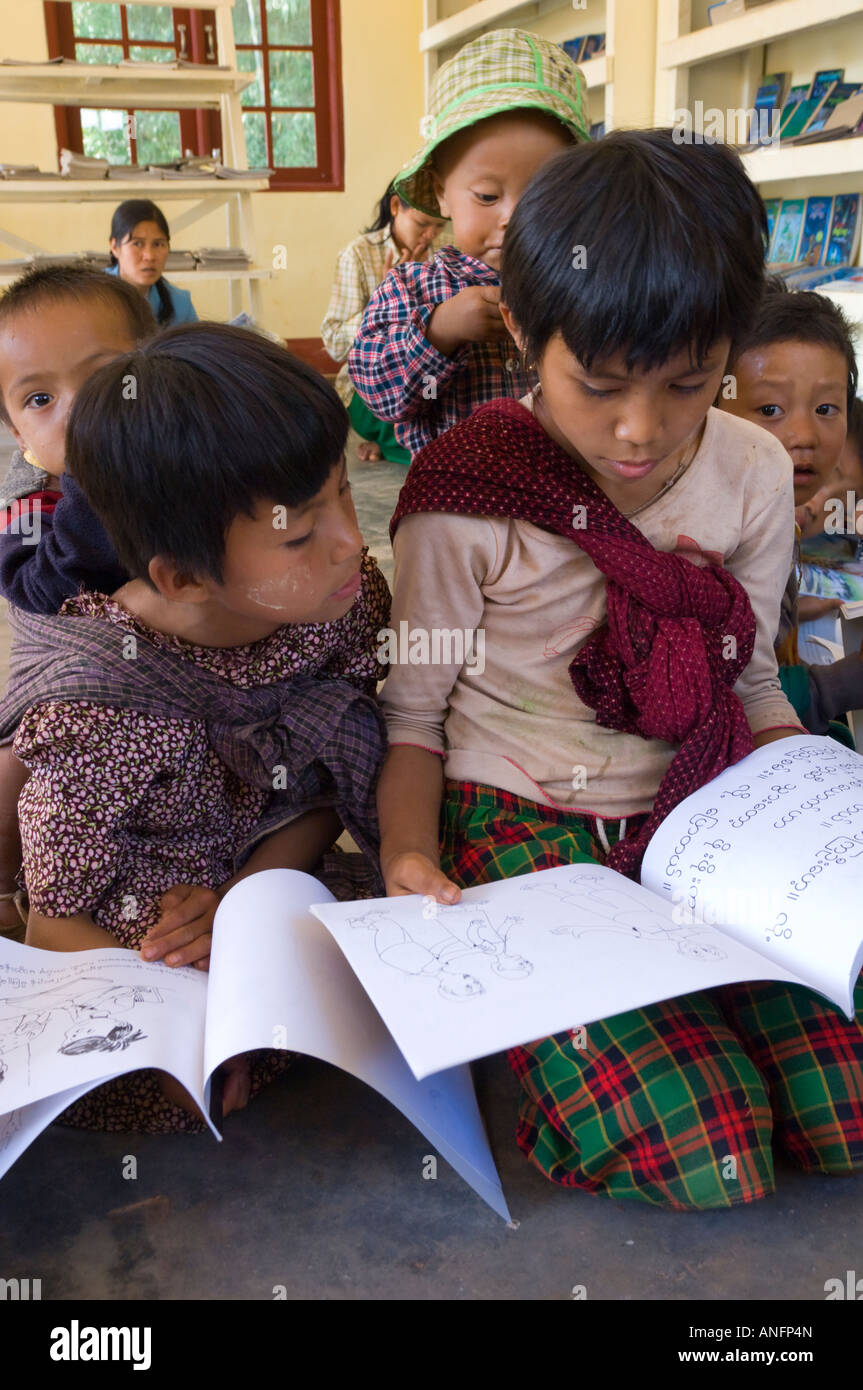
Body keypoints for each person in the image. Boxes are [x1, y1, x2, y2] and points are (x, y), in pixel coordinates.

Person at [377, 130, 863, 1210]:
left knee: (845, 1111)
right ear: (520, 329)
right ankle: (562, 1064)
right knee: (711, 1151)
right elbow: (412, 714)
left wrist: (818, 835)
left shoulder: (745, 466)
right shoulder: (464, 493)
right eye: (595, 386)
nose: (639, 431)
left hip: (707, 813)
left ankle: (661, 1020)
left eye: (689, 384)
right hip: (526, 818)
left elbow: (749, 684)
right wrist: (407, 857)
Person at [0, 323, 390, 1132]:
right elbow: (54, 918)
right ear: (180, 577)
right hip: (132, 949)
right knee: (155, 1085)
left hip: (254, 884)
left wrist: (246, 902)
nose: (352, 543)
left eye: (343, 490)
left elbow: (317, 792)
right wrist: (185, 1030)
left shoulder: (335, 608)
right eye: (297, 533)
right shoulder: (98, 708)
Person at [0, 266, 156, 940]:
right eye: (39, 398)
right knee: (10, 769)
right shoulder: (33, 505)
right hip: (68, 699)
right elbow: (42, 592)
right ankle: (9, 892)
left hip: (182, 696)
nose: (76, 408)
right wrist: (95, 488)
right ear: (17, 436)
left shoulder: (189, 469)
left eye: (103, 379)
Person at [348, 28, 589, 460]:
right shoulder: (415, 286)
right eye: (487, 196)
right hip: (453, 508)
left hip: (560, 500)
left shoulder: (585, 277)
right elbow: (377, 393)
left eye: (541, 195)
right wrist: (439, 331)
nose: (514, 218)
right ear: (442, 193)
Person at [721, 281, 863, 736]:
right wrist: (835, 688)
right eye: (769, 409)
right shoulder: (705, 540)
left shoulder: (782, 518)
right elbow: (716, 698)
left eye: (826, 407)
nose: (804, 434)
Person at [321, 181, 448, 464]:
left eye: (439, 226)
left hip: (430, 374)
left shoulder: (447, 254)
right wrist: (386, 297)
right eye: (422, 223)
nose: (429, 236)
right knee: (419, 423)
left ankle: (395, 447)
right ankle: (416, 452)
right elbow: (334, 344)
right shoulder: (358, 254)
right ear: (394, 208)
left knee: (460, 406)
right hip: (375, 382)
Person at [107, 199, 198, 326]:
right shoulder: (90, 297)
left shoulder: (180, 304)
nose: (149, 256)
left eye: (158, 244)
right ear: (115, 247)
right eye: (137, 243)